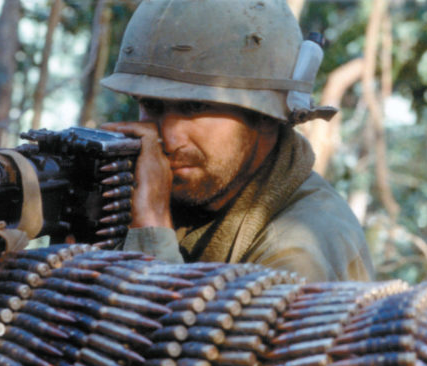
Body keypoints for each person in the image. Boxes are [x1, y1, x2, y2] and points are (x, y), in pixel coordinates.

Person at [101, 0, 373, 282]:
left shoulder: (302, 246)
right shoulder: (179, 193)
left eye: (195, 107)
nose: (168, 138)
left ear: (265, 117)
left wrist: (151, 234)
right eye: (151, 104)